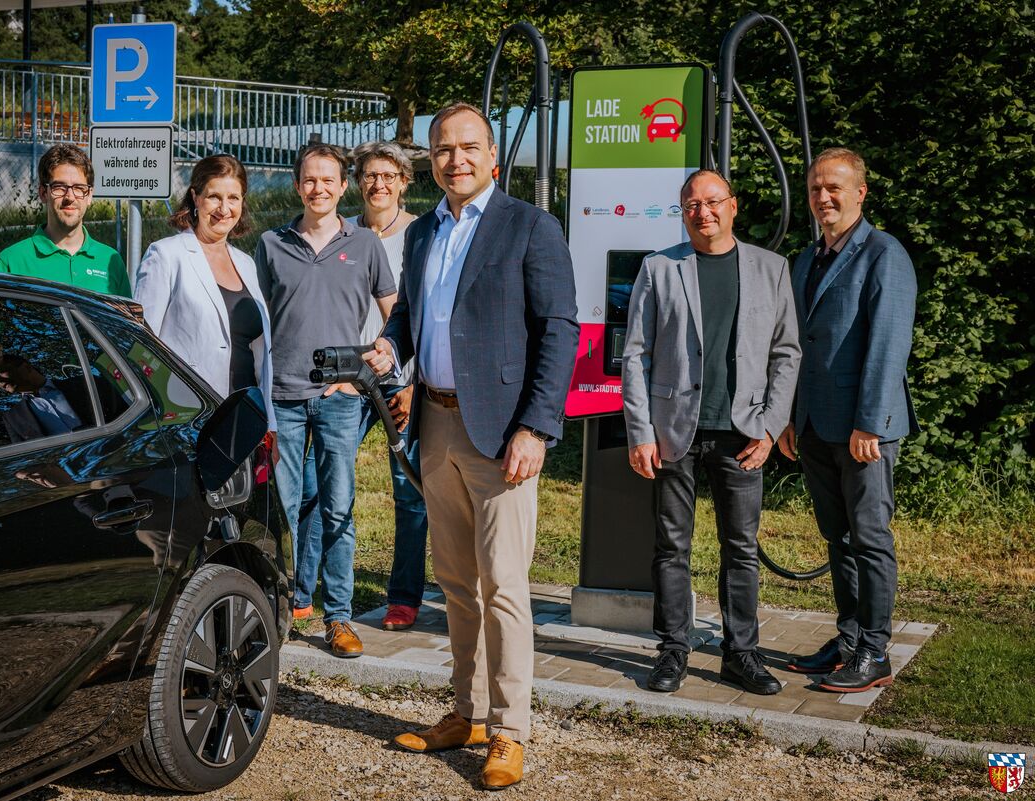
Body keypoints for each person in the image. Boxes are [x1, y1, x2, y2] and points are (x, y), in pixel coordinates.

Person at [363, 102, 578, 791]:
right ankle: (466, 710)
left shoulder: (529, 226)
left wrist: (536, 427)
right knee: (456, 583)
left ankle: (510, 729)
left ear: (491, 157)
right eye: (443, 149)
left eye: (467, 148)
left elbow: (560, 331)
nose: (454, 160)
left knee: (505, 588)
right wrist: (389, 347)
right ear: (431, 159)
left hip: (502, 432)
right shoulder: (424, 232)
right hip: (437, 424)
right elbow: (416, 322)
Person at [622, 170, 800, 697]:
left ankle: (740, 653)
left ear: (733, 206)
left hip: (743, 433)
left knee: (740, 548)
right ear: (683, 212)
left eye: (713, 201)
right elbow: (635, 354)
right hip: (674, 430)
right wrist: (640, 432)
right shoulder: (660, 268)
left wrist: (771, 427)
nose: (704, 212)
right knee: (671, 546)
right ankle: (673, 650)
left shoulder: (771, 268)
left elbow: (787, 353)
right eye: (692, 204)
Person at [779, 147, 918, 692]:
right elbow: (794, 344)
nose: (823, 197)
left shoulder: (884, 254)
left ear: (860, 193)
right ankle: (850, 638)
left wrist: (872, 424)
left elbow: (887, 344)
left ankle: (875, 651)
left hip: (864, 431)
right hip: (814, 425)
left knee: (869, 537)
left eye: (834, 187)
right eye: (815, 188)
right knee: (837, 538)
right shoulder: (806, 259)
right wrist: (790, 417)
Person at [255, 142, 395, 659]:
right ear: (298, 186)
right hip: (284, 398)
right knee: (283, 510)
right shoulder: (271, 244)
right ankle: (280, 608)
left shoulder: (366, 244)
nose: (319, 189)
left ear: (343, 186)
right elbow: (258, 321)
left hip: (340, 398)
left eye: (329, 180)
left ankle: (339, 617)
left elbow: (393, 313)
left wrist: (372, 364)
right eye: (309, 180)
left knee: (338, 509)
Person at [133, 154, 276, 436]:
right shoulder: (166, 255)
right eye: (214, 197)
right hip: (188, 419)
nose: (224, 209)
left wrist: (270, 425)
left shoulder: (246, 264)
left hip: (246, 417)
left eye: (233, 198)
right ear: (196, 198)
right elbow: (141, 346)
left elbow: (262, 356)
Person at [349, 140, 427, 631]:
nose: (379, 184)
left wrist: (413, 379)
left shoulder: (422, 233)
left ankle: (403, 596)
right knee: (326, 483)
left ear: (403, 181)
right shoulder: (342, 231)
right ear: (358, 182)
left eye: (388, 175)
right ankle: (308, 589)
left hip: (402, 376)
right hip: (347, 379)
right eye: (369, 175)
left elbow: (424, 311)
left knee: (409, 489)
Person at [0, 144, 129, 296]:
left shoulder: (111, 261)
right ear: (43, 193)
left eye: (78, 188)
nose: (70, 197)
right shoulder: (11, 262)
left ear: (89, 195)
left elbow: (126, 319)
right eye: (59, 187)